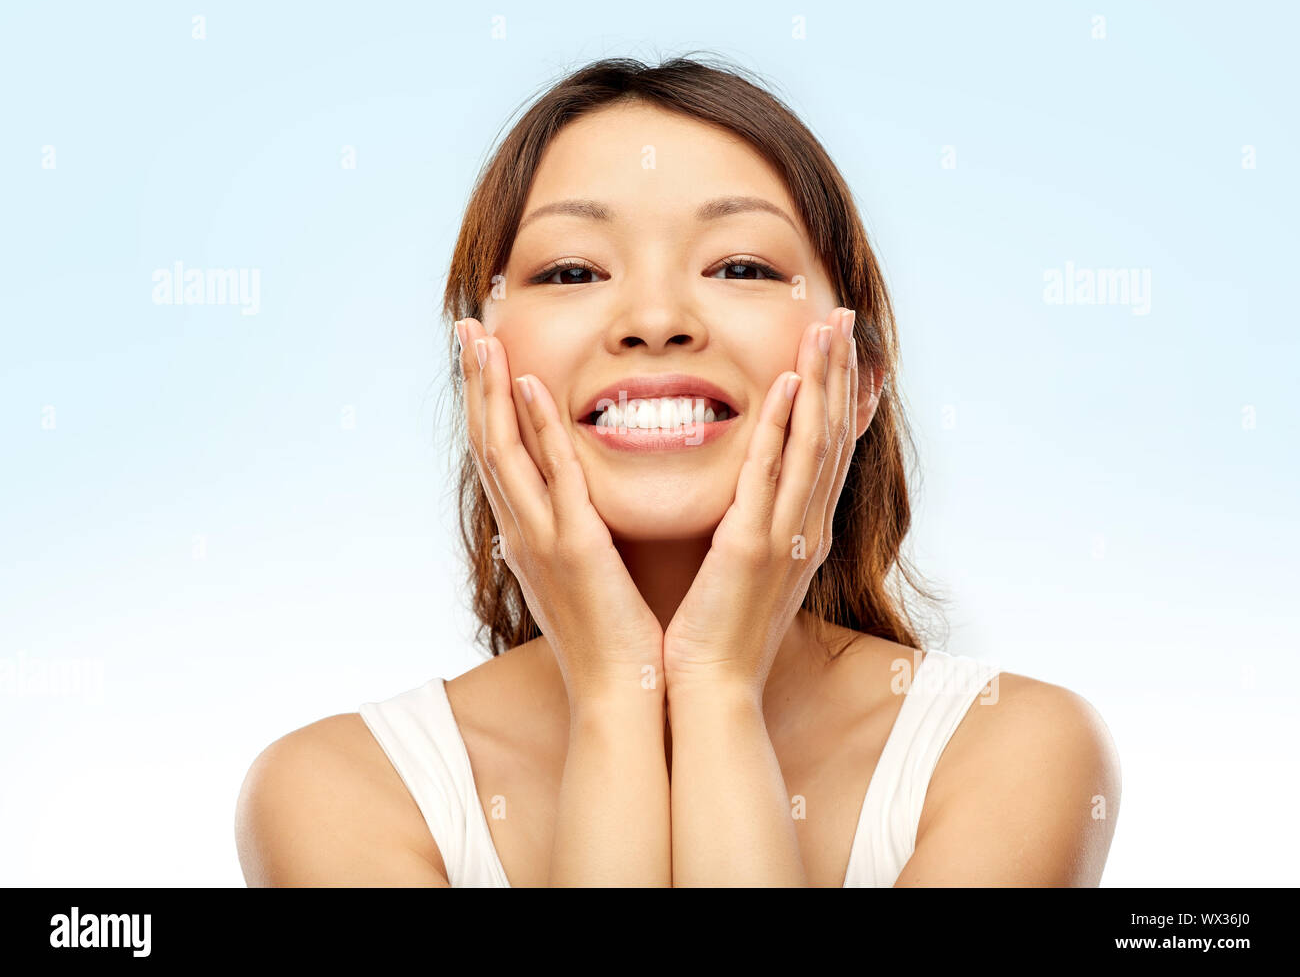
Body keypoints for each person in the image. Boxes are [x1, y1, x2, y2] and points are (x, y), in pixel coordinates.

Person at [235, 55, 1121, 887]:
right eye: (574, 269)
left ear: (859, 387)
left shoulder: (1013, 752)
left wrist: (715, 690)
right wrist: (620, 692)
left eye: (740, 265)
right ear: (479, 368)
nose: (654, 318)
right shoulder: (337, 792)